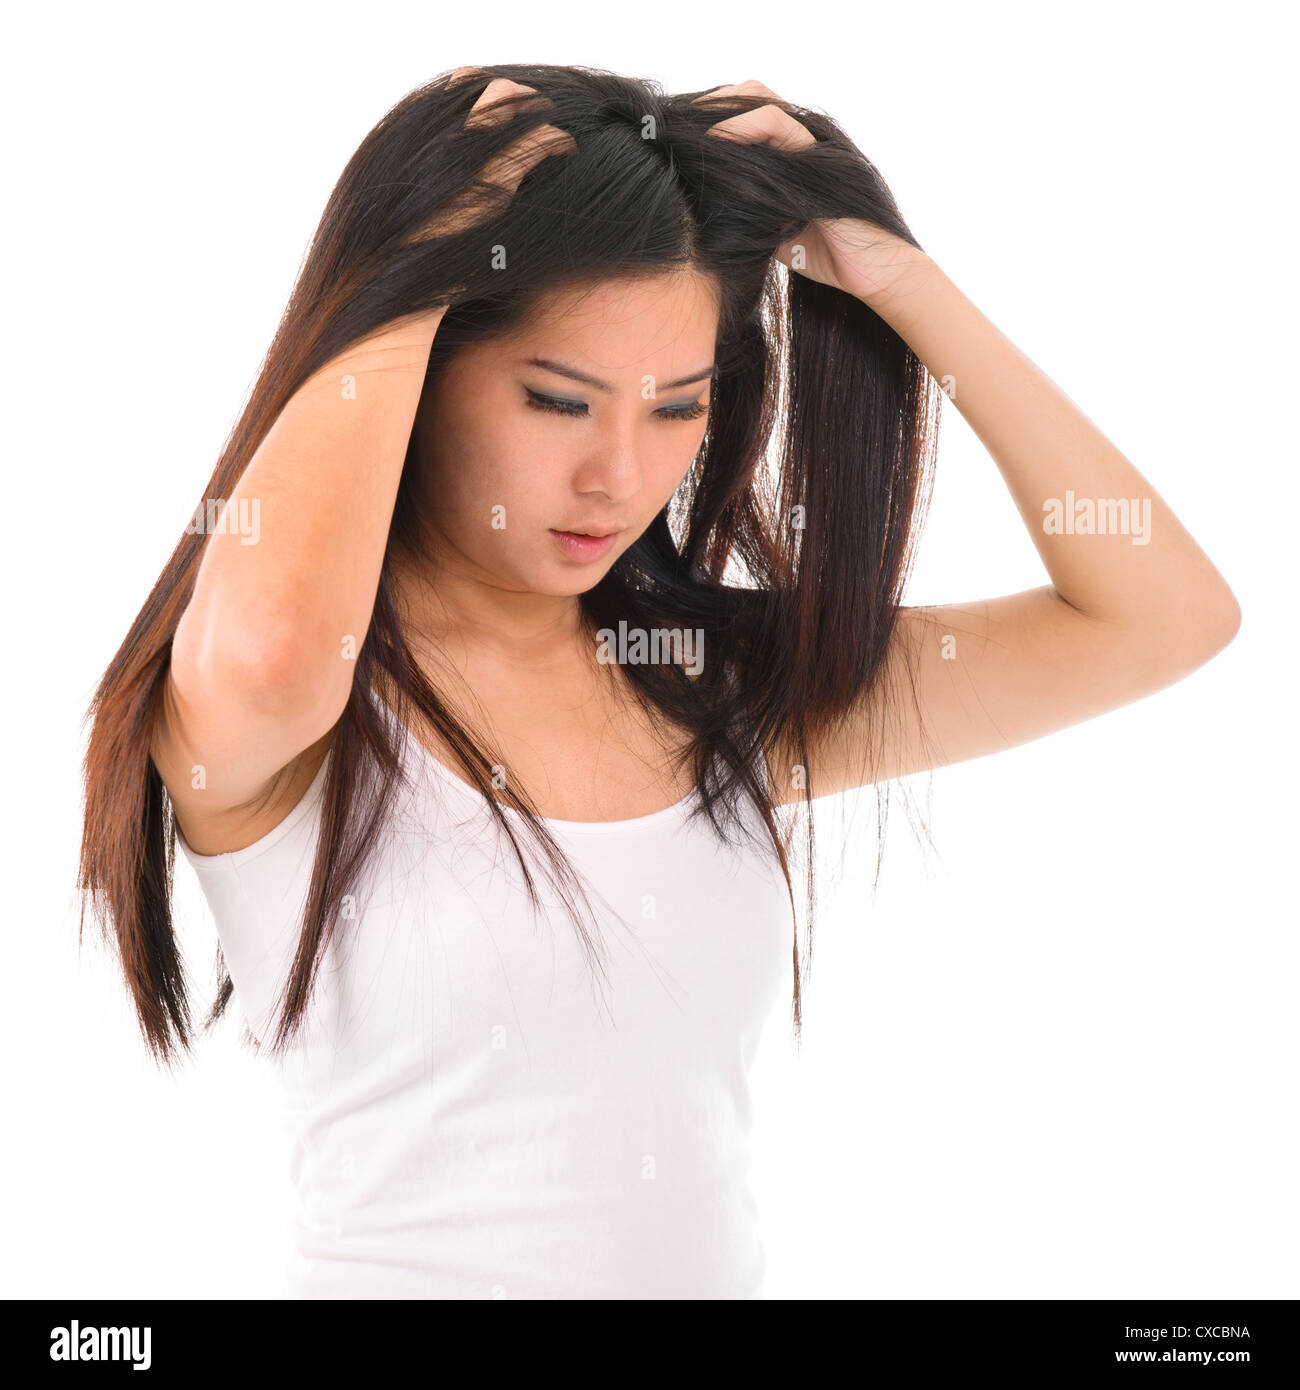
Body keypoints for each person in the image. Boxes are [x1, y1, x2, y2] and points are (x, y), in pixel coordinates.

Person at [78, 66, 1240, 1299]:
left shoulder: (706, 691)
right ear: (417, 372)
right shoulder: (283, 709)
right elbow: (272, 650)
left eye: (676, 406)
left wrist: (904, 280)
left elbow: (1160, 618)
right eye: (556, 400)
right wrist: (408, 269)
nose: (618, 475)